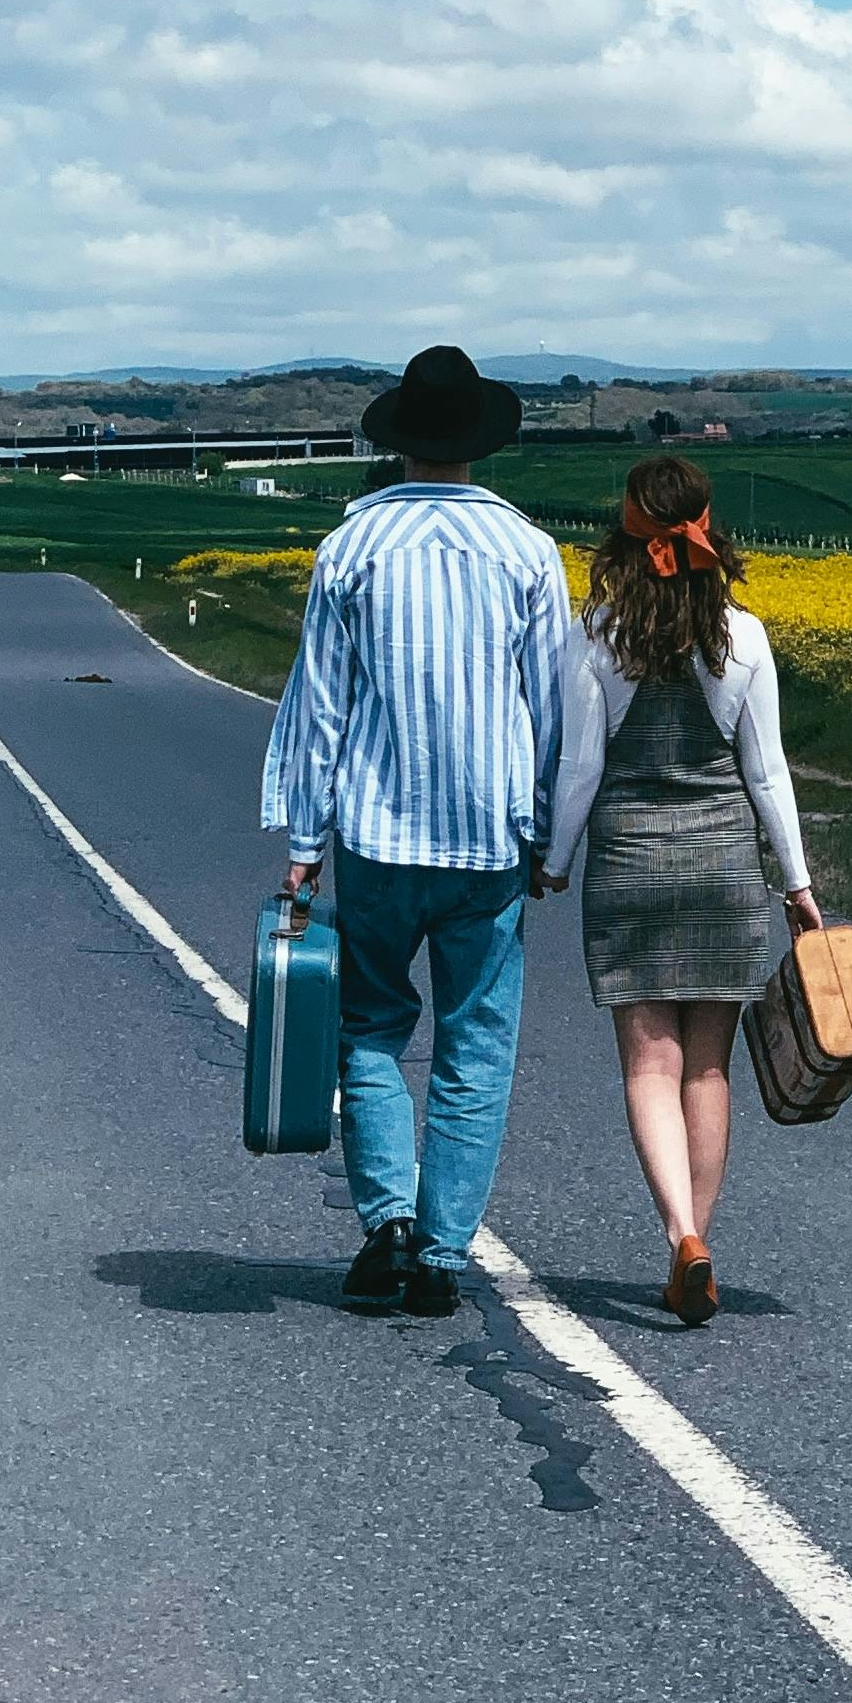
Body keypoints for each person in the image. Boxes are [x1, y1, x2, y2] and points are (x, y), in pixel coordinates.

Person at [262, 344, 568, 1322]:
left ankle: (388, 1222)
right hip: (489, 837)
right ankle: (442, 1252)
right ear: (479, 440)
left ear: (398, 441)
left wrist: (304, 843)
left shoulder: (351, 547)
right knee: (477, 1041)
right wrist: (550, 834)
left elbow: (322, 706)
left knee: (371, 1028)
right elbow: (550, 708)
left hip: (379, 832)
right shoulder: (527, 549)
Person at [539, 455, 821, 1326]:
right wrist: (798, 882)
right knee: (708, 1066)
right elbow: (766, 772)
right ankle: (695, 1245)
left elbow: (581, 768)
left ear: (625, 532)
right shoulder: (744, 636)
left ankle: (681, 1236)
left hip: (630, 866)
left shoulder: (597, 635)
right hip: (725, 866)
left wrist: (555, 860)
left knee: (648, 1065)